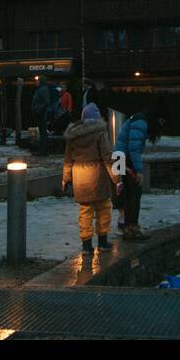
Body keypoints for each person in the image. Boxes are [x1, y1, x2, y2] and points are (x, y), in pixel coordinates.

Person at [62, 103, 118, 253]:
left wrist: (66, 179)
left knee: (85, 210)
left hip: (79, 174)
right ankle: (102, 241)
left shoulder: (73, 135)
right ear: (97, 117)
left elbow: (68, 159)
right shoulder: (100, 133)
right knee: (103, 207)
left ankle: (86, 244)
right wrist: (116, 178)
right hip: (97, 173)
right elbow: (107, 157)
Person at [115, 109, 163, 241]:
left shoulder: (138, 120)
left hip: (121, 158)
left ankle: (129, 228)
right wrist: (139, 171)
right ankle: (132, 228)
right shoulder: (141, 123)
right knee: (134, 193)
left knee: (130, 194)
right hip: (126, 159)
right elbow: (134, 148)